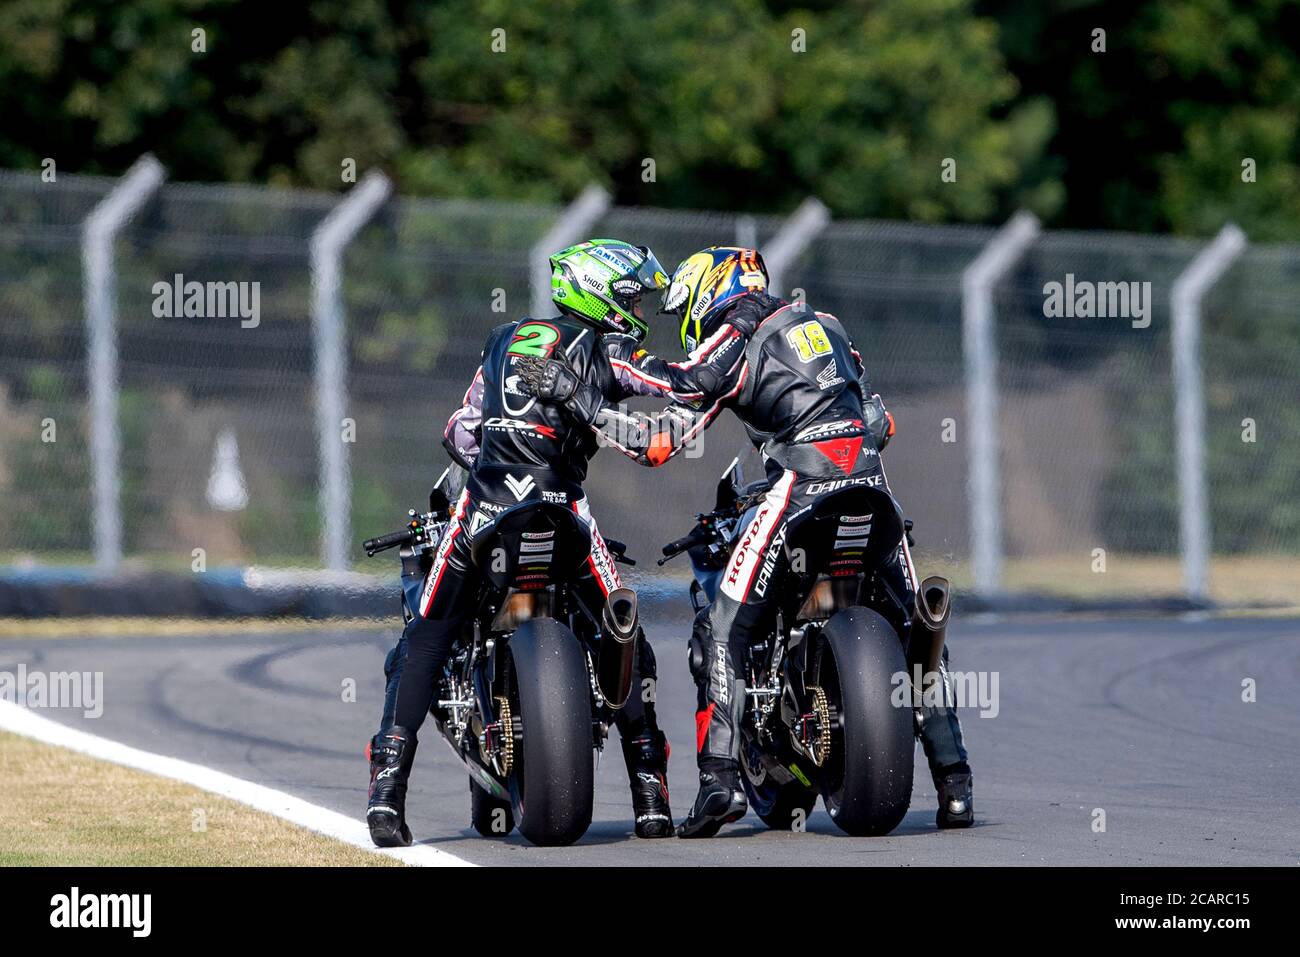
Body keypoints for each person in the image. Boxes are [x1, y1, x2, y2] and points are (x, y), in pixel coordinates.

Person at [516, 246, 974, 838]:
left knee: (727, 623)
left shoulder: (737, 330)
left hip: (803, 489)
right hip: (871, 488)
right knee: (918, 624)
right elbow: (880, 417)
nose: (693, 326)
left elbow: (673, 414)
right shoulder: (827, 325)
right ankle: (955, 783)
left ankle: (719, 782)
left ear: (714, 288)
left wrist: (581, 396)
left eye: (691, 310)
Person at [366, 239, 676, 846]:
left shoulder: (503, 339)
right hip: (564, 510)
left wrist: (499, 462)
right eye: (633, 294)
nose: (640, 306)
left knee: (423, 637)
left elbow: (460, 427)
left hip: (483, 509)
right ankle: (650, 792)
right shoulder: (609, 348)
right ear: (599, 291)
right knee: (624, 635)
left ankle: (385, 795)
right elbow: (665, 417)